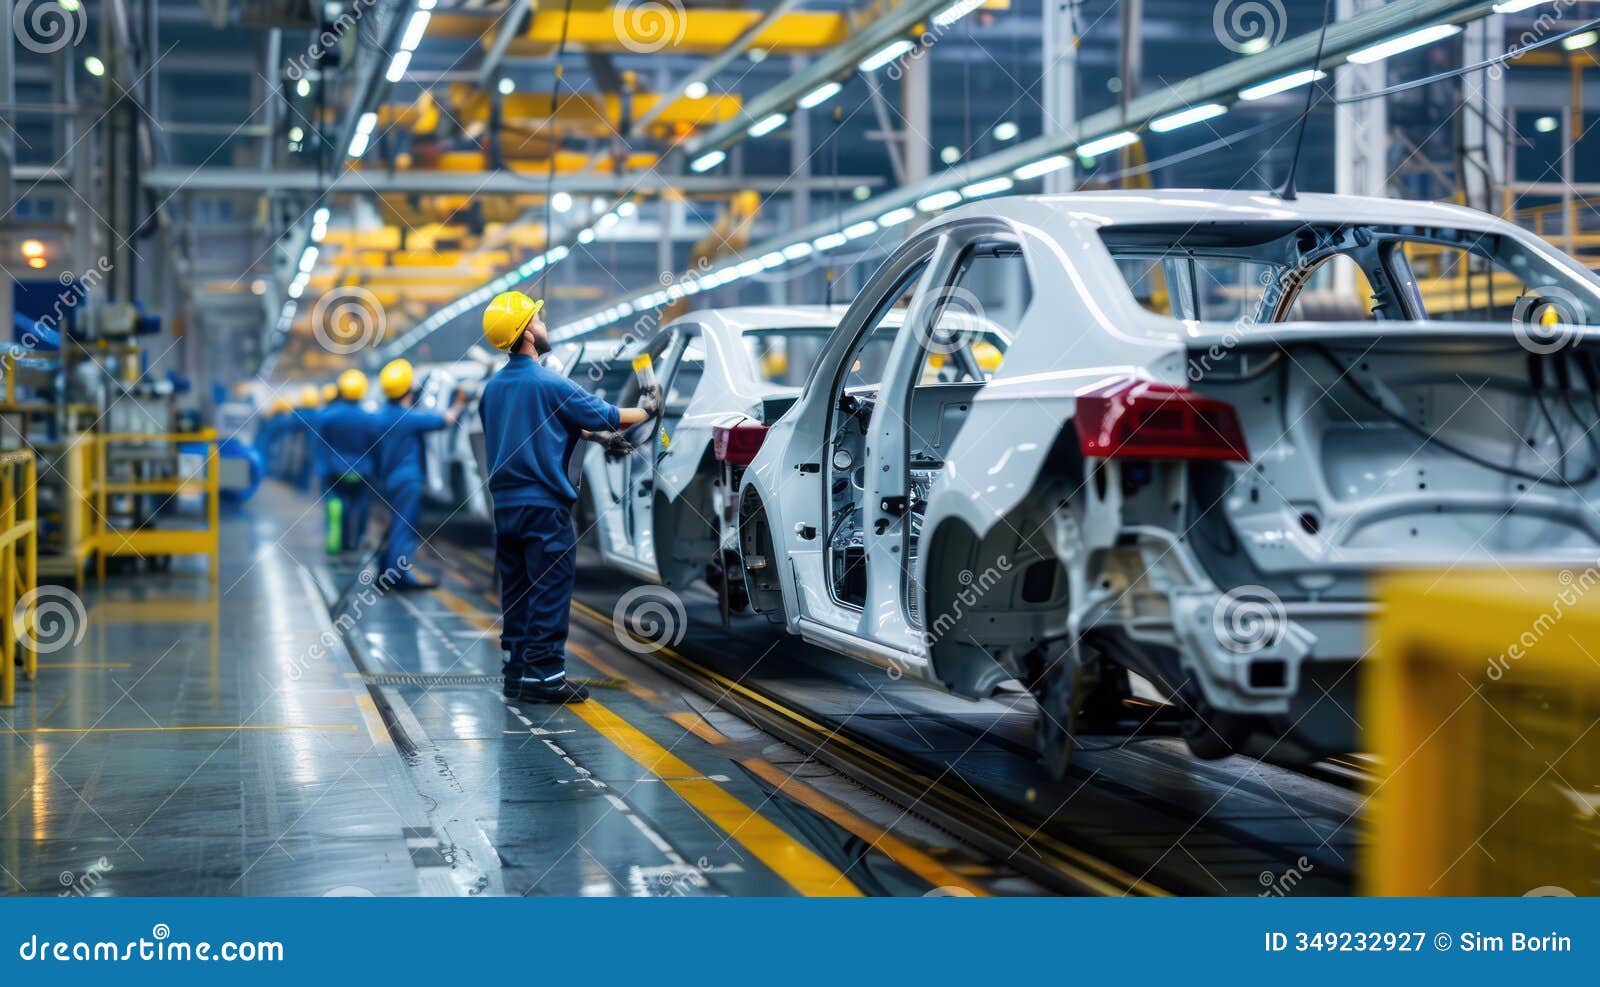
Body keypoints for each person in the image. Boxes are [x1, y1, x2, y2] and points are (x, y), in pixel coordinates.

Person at [478, 291, 659, 703]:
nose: (545, 326)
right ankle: (545, 677)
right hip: (544, 508)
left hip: (505, 507)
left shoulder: (493, 389)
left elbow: (531, 428)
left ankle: (516, 673)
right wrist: (647, 409)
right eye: (538, 320)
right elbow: (611, 415)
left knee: (517, 591)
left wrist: (591, 436)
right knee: (549, 589)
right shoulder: (549, 383)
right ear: (527, 333)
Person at [372, 358, 466, 588]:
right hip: (408, 481)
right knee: (405, 528)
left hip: (389, 480)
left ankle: (386, 570)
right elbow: (446, 420)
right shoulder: (409, 417)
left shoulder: (379, 417)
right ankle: (397, 577)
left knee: (396, 525)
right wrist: (460, 401)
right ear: (409, 388)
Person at [315, 369, 378, 555]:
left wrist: (323, 469)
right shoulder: (369, 418)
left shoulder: (328, 417)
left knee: (340, 506)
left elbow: (322, 446)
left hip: (336, 470)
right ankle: (357, 540)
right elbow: (375, 447)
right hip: (362, 471)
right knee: (361, 506)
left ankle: (341, 542)